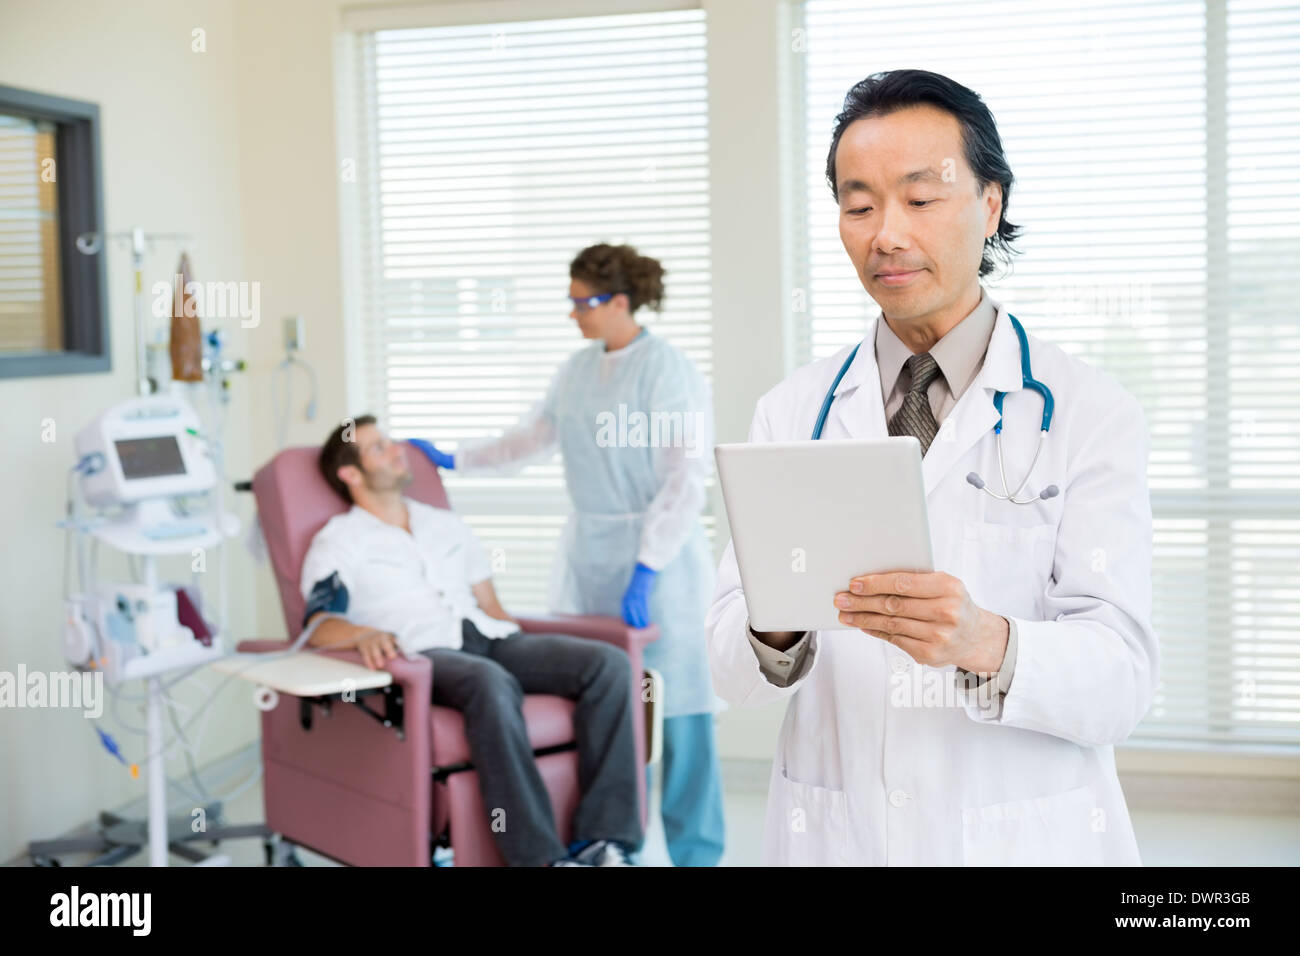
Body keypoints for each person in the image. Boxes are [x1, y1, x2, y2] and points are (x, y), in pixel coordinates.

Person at [708, 69, 1158, 866]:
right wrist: (774, 624)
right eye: (858, 205)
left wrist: (985, 641)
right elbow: (727, 669)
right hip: (836, 832)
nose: (886, 233)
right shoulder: (793, 412)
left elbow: (1122, 682)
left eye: (920, 199)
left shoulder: (1090, 411)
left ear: (991, 204)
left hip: (1020, 836)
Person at [412, 243, 726, 867]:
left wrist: (648, 566)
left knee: (679, 715)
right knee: (606, 706)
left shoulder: (669, 371)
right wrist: (457, 457)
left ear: (619, 301)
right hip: (590, 556)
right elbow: (529, 438)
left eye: (583, 302)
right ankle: (607, 843)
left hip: (660, 565)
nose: (574, 314)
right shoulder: (577, 371)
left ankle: (697, 856)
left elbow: (686, 479)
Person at [299, 415, 644, 867]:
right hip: (423, 652)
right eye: (378, 448)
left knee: (608, 664)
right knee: (489, 681)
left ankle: (603, 839)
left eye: (390, 441)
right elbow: (319, 624)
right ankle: (539, 858)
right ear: (350, 474)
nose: (397, 449)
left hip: (487, 635)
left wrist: (538, 648)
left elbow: (493, 608)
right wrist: (363, 634)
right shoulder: (340, 541)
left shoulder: (444, 524)